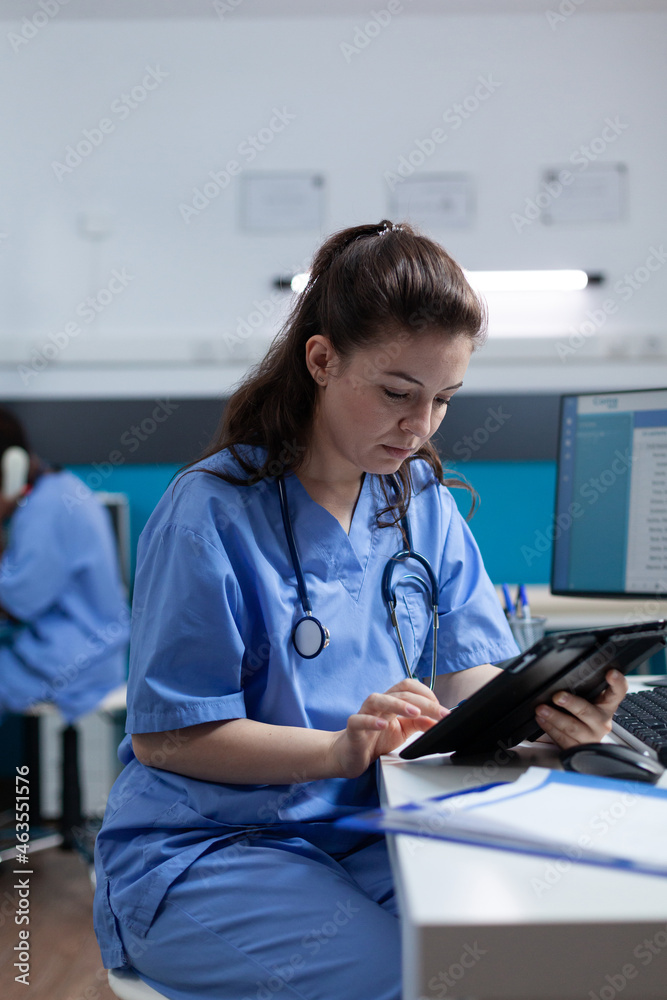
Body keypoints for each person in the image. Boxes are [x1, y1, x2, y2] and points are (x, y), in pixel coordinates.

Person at [93, 221, 628, 1000]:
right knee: (407, 980)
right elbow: (172, 738)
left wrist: (548, 702)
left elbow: (466, 674)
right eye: (396, 393)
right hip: (208, 848)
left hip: (363, 827)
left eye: (443, 399)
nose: (420, 427)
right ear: (321, 359)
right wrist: (338, 751)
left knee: (522, 951)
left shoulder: (418, 503)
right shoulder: (207, 513)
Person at [0, 407, 129, 723]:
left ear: (10, 466)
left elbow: (14, 604)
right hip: (78, 650)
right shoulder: (57, 489)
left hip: (75, 661)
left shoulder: (46, 510)